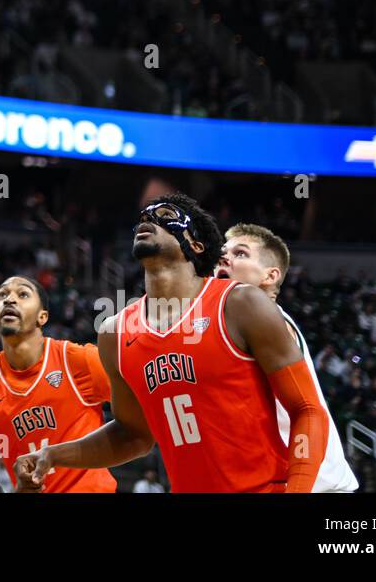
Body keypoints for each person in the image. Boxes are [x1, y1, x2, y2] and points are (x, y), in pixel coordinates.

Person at [17, 194, 326, 493]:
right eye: (142, 218)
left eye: (163, 216)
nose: (147, 221)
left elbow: (308, 409)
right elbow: (133, 435)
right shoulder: (115, 333)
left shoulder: (239, 303)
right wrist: (54, 454)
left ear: (195, 244)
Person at [0, 276, 115, 493]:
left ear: (43, 316)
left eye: (22, 294)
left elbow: (138, 405)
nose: (9, 300)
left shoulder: (77, 360)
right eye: (2, 295)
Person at [216, 223, 358, 493]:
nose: (225, 257)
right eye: (223, 252)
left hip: (315, 486)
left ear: (270, 276)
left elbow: (307, 410)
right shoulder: (225, 325)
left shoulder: (268, 320)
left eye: (241, 253)